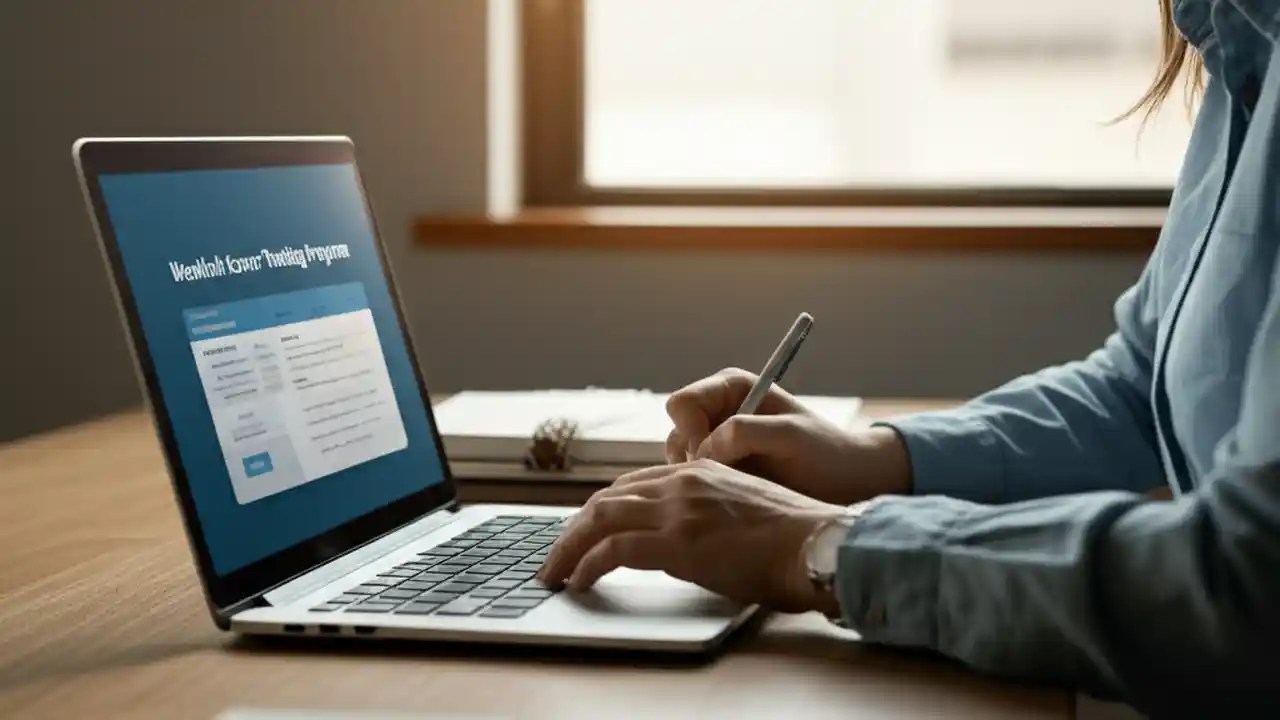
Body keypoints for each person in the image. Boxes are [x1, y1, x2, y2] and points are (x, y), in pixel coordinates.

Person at [537, 0, 1280, 715]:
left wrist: (820, 546)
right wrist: (875, 458)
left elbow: (1246, 591)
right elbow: (1137, 391)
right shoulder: (1239, 45)